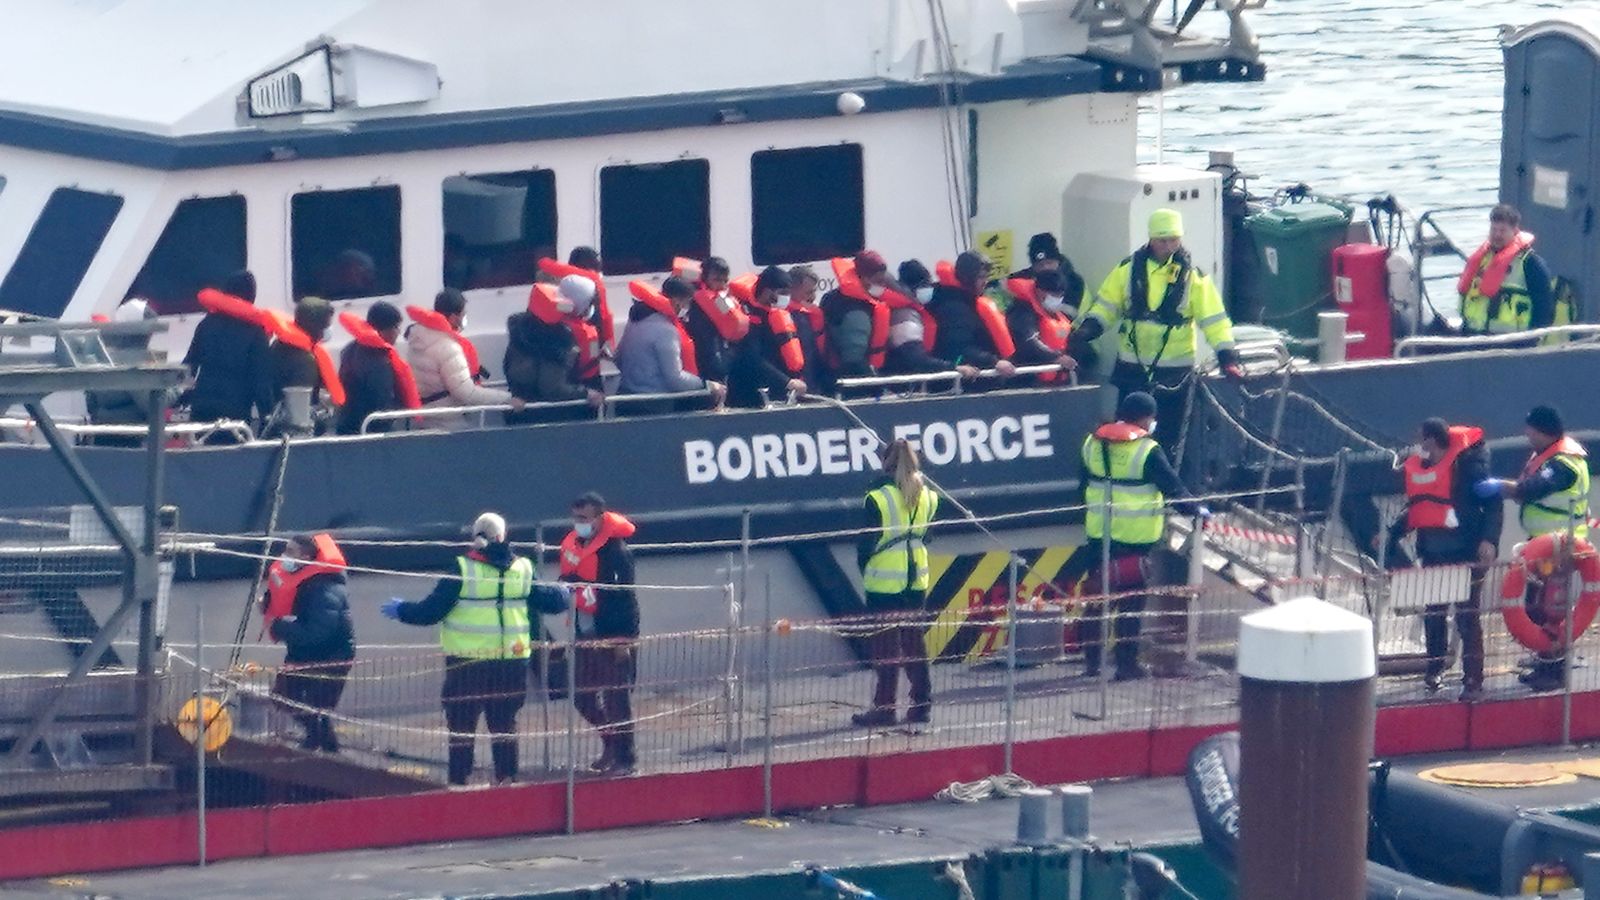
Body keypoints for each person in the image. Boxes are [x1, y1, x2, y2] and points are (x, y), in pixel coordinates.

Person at [381, 513, 563, 786]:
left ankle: (460, 781)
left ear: (476, 537)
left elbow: (430, 612)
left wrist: (402, 610)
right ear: (503, 536)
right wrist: (563, 593)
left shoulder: (462, 569)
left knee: (462, 726)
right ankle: (507, 779)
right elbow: (551, 602)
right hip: (511, 663)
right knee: (504, 725)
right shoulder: (523, 568)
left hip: (468, 663)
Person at [1056, 392, 1200, 680]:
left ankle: (1092, 664)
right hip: (1135, 541)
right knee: (1131, 606)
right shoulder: (1147, 449)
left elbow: (1082, 486)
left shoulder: (1092, 443)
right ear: (1146, 417)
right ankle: (1126, 666)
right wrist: (1198, 511)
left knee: (1097, 599)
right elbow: (1173, 486)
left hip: (1099, 535)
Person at [1071, 209, 1242, 450]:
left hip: (1174, 373)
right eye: (1163, 240)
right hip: (1132, 370)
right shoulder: (1127, 270)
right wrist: (1087, 331)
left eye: (1174, 239)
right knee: (1126, 433)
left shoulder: (1194, 277)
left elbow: (1214, 321)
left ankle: (1168, 483)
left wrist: (1228, 357)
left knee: (1171, 438)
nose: (1169, 246)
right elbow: (1106, 307)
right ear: (1151, 239)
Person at [1383, 419, 1499, 699]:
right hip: (1433, 554)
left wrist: (1489, 540)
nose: (1418, 444)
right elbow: (1419, 505)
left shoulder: (1469, 466)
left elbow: (1493, 502)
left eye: (1421, 439)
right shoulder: (1421, 468)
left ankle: (1473, 680)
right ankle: (1434, 672)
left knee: (1466, 617)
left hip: (1465, 554)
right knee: (1434, 615)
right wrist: (1390, 533)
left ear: (1431, 440)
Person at [1477, 405, 1591, 691]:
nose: (1527, 435)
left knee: (1550, 605)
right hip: (1543, 544)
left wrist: (1500, 486)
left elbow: (1534, 488)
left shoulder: (1564, 463)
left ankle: (1553, 670)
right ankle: (1545, 658)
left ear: (1544, 431)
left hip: (1560, 548)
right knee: (1538, 602)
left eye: (1531, 430)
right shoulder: (1548, 454)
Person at [852, 439, 939, 727]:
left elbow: (865, 542)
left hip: (884, 581)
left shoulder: (877, 497)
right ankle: (922, 703)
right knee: (915, 642)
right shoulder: (928, 495)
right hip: (916, 578)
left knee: (885, 647)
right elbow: (926, 535)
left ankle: (885, 707)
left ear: (885, 462)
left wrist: (865, 566)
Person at [559, 493, 639, 774]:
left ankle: (626, 759)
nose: (578, 523)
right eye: (575, 518)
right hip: (583, 632)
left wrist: (623, 640)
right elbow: (571, 579)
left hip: (610, 635)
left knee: (617, 699)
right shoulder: (574, 544)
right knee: (582, 696)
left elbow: (626, 600)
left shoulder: (617, 553)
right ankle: (610, 743)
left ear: (600, 518)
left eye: (584, 518)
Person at [263, 533, 355, 753]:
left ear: (305, 556)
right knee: (283, 696)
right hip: (303, 653)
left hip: (331, 657)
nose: (285, 556)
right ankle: (320, 742)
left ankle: (327, 749)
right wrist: (267, 604)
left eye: (291, 552)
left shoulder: (325, 590)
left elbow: (317, 631)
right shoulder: (299, 578)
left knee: (318, 708)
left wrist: (277, 627)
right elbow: (281, 599)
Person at [406, 290, 523, 425]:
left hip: (424, 418)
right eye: (463, 314)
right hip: (447, 421)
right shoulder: (448, 348)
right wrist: (507, 398)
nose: (464, 318)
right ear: (454, 317)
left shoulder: (417, 340)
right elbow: (466, 393)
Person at [184, 271, 277, 437]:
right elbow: (260, 380)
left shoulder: (206, 324)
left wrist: (179, 399)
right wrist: (267, 414)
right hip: (235, 412)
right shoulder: (255, 332)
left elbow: (189, 365)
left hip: (202, 406)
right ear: (251, 295)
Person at [615, 276, 726, 410]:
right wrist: (706, 385)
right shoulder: (666, 331)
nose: (688, 307)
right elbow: (675, 379)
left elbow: (618, 358)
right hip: (653, 404)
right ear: (677, 301)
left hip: (625, 398)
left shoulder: (635, 321)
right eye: (688, 302)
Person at [505, 274, 605, 421]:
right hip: (559, 413)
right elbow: (554, 386)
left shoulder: (523, 324)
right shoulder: (564, 335)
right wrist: (587, 393)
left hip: (522, 409)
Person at [1458, 204, 1554, 338]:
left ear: (1515, 231)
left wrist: (1531, 342)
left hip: (1512, 344)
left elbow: (1544, 308)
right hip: (1473, 339)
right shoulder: (1480, 261)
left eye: (1502, 230)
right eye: (1493, 229)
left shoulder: (1530, 263)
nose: (1497, 235)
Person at [730, 267, 812, 407]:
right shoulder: (747, 317)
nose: (787, 298)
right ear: (768, 292)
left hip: (780, 393)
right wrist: (787, 382)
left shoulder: (777, 314)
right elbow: (752, 357)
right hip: (752, 396)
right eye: (783, 293)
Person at [335, 302, 421, 435]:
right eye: (396, 327)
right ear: (385, 330)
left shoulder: (350, 350)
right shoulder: (379, 362)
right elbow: (382, 406)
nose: (398, 332)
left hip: (347, 427)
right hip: (369, 433)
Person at [927, 252, 1017, 379]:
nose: (985, 282)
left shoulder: (966, 301)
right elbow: (959, 348)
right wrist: (993, 361)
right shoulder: (954, 308)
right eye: (981, 277)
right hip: (966, 381)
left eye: (986, 277)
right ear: (967, 278)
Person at [87, 299, 162, 446]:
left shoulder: (104, 355)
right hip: (131, 438)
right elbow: (150, 402)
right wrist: (176, 389)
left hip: (102, 434)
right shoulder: (135, 361)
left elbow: (91, 400)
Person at [883, 261, 976, 378]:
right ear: (911, 288)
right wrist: (953, 367)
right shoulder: (905, 316)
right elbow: (917, 360)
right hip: (904, 384)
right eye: (924, 286)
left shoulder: (909, 310)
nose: (929, 289)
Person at [267, 296, 346, 420]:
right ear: (315, 327)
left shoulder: (277, 345)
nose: (327, 331)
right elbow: (300, 409)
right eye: (325, 326)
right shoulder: (305, 361)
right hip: (294, 430)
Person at [677, 256, 750, 385]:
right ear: (704, 278)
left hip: (719, 354)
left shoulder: (720, 299)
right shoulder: (692, 299)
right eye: (716, 280)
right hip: (701, 358)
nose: (720, 285)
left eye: (724, 281)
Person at [822, 251, 894, 380]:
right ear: (864, 278)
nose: (883, 286)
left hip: (832, 375)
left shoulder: (834, 297)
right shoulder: (856, 310)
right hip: (851, 382)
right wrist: (875, 384)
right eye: (879, 281)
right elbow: (853, 359)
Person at [1004, 269, 1078, 384]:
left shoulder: (1056, 314)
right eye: (1054, 295)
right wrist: (1055, 357)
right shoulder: (1021, 311)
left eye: (1060, 295)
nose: (1057, 299)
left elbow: (1069, 337)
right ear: (1039, 291)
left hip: (1053, 379)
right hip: (1025, 378)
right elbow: (1028, 341)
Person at [785, 265, 831, 393]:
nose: (813, 297)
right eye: (809, 292)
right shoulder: (785, 316)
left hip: (814, 383)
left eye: (814, 291)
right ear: (791, 289)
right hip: (795, 387)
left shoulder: (810, 315)